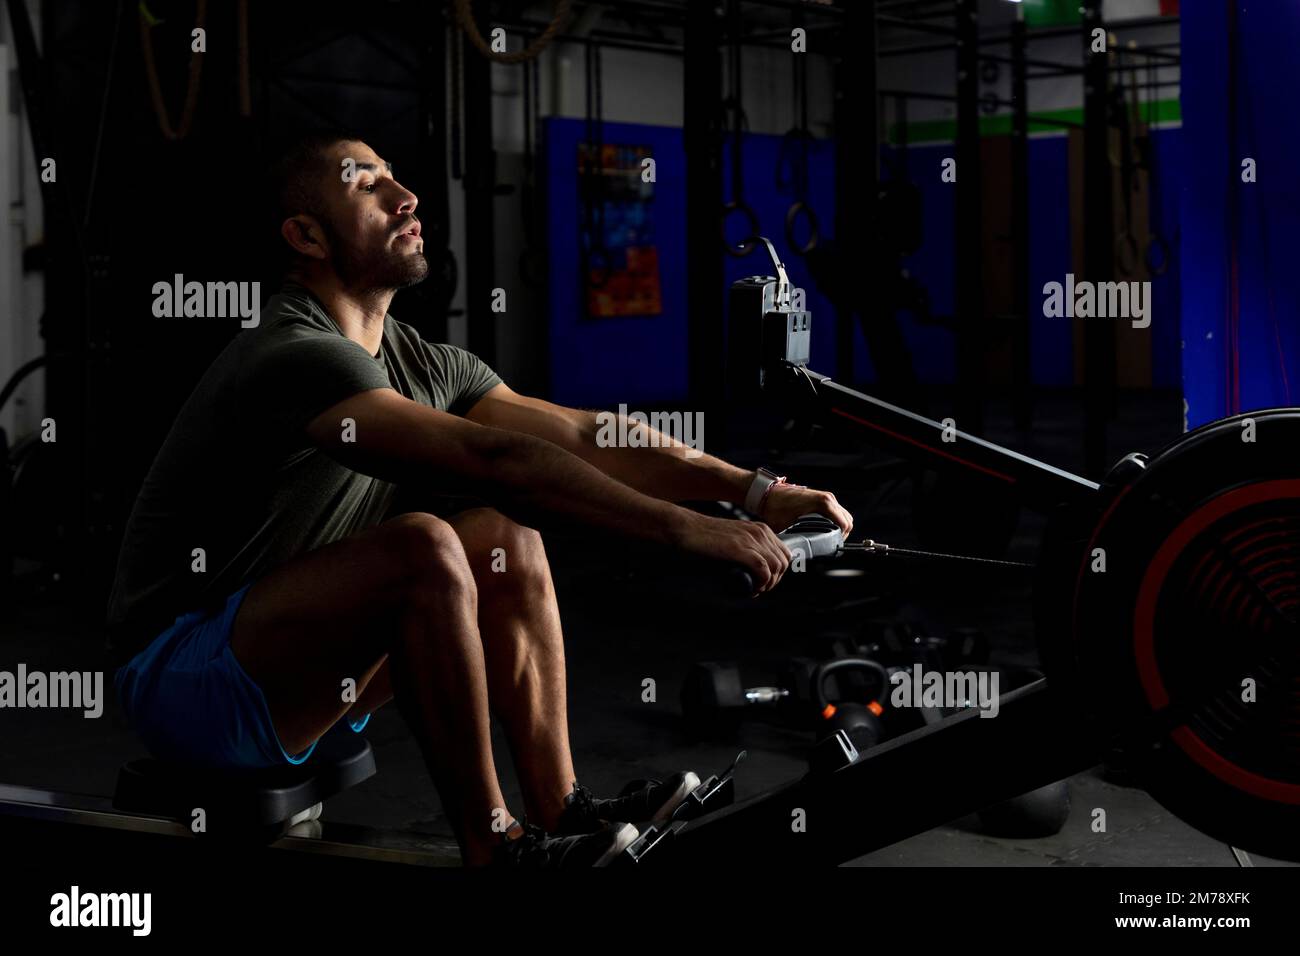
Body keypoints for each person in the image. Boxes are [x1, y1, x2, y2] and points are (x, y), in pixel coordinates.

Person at [106, 131, 853, 867]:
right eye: (367, 186)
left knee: (502, 539)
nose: (406, 197)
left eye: (394, 177)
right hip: (183, 680)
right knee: (423, 547)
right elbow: (493, 457)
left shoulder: (416, 357)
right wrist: (689, 532)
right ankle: (494, 847)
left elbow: (582, 432)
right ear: (306, 234)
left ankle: (563, 810)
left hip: (291, 664)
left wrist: (755, 491)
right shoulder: (291, 352)